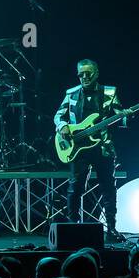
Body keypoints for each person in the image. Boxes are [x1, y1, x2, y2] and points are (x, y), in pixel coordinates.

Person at [54, 59, 123, 241]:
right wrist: (62, 126)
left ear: (96, 73)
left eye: (88, 73)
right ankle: (72, 227)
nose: (84, 77)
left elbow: (120, 117)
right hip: (78, 148)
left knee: (108, 187)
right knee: (75, 187)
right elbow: (59, 115)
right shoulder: (71, 93)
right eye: (81, 74)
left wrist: (124, 118)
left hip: (103, 147)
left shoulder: (109, 92)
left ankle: (112, 228)